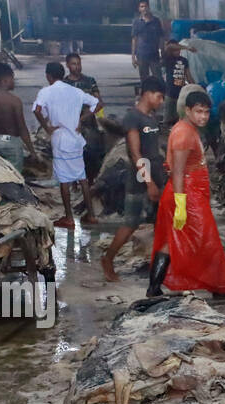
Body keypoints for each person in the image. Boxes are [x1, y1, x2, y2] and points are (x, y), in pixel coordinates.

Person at [148, 90, 225, 298]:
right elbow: (177, 171)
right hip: (186, 194)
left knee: (173, 239)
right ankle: (219, 288)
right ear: (187, 110)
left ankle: (153, 288)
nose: (203, 117)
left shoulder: (188, 128)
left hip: (189, 193)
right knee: (207, 239)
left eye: (206, 112)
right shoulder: (184, 134)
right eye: (198, 112)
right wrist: (181, 204)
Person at [101, 77, 166, 282]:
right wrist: (149, 183)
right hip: (140, 177)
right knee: (131, 222)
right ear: (147, 93)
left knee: (160, 222)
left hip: (157, 173)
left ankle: (160, 266)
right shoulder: (133, 118)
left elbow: (154, 150)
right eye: (159, 96)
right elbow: (136, 153)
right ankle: (108, 259)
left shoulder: (151, 117)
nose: (161, 101)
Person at [33, 60, 101, 229]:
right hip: (76, 139)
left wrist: (47, 127)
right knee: (83, 178)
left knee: (64, 180)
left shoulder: (46, 92)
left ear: (48, 76)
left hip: (60, 140)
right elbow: (97, 104)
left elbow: (37, 110)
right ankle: (91, 215)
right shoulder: (75, 91)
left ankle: (69, 217)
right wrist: (81, 119)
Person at [0, 62, 37, 174]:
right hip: (12, 143)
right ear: (5, 80)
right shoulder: (14, 101)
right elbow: (22, 129)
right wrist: (32, 151)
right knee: (15, 176)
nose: (14, 81)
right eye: (12, 78)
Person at [63, 52, 106, 184]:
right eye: (74, 64)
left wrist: (84, 117)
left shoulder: (90, 81)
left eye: (79, 63)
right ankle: (75, 184)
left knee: (93, 155)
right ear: (68, 65)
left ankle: (90, 181)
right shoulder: (64, 83)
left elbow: (99, 103)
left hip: (89, 124)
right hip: (72, 126)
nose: (77, 67)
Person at [131, 0, 165, 84]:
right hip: (141, 55)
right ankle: (146, 96)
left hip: (154, 54)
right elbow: (134, 39)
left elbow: (161, 38)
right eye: (142, 6)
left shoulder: (156, 21)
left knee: (158, 78)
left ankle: (160, 95)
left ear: (149, 8)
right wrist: (133, 56)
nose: (144, 8)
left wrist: (162, 53)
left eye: (145, 6)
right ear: (139, 9)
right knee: (144, 79)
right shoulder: (137, 22)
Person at [161, 40, 191, 126]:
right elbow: (169, 47)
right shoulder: (167, 59)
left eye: (178, 49)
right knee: (167, 120)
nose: (177, 51)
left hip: (181, 94)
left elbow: (188, 76)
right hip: (170, 94)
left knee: (179, 120)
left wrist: (194, 86)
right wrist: (187, 48)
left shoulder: (184, 60)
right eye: (176, 49)